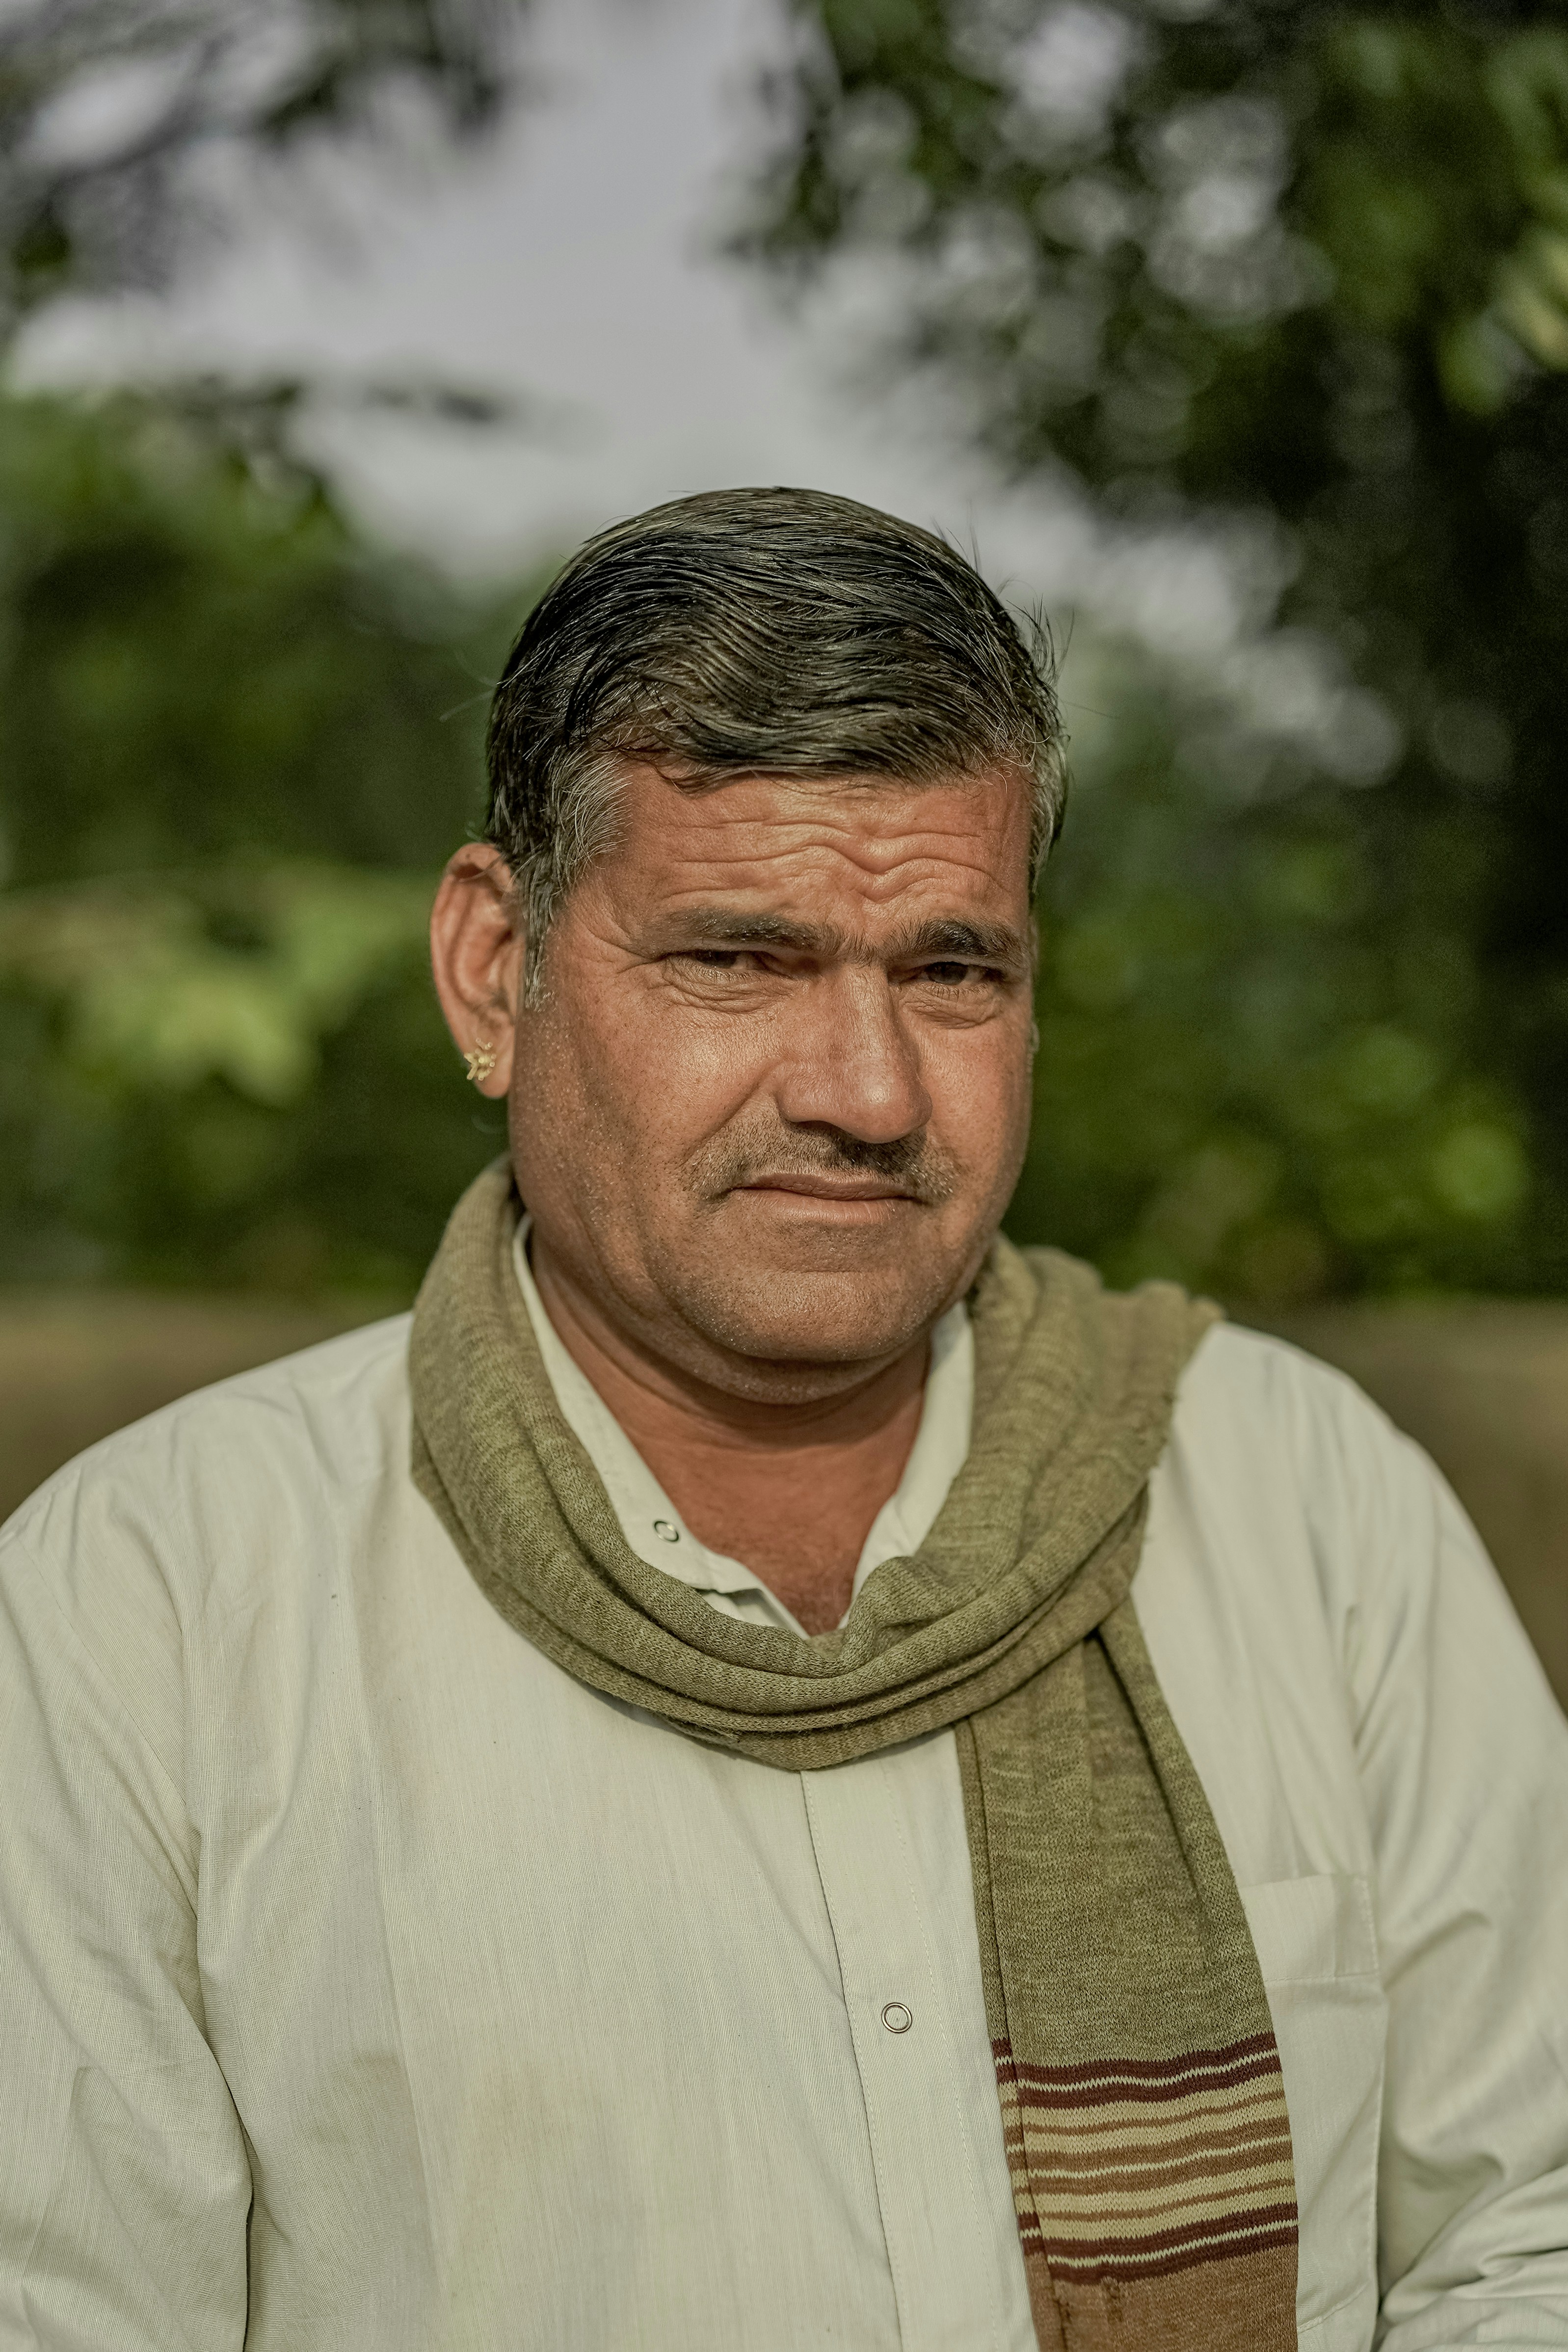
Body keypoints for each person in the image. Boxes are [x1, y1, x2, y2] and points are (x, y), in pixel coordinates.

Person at [1, 488, 1565, 2352]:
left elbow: (1524, 2242)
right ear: (495, 969)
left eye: (950, 970)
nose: (870, 1090)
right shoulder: (151, 1611)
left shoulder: (1309, 1511)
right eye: (737, 958)